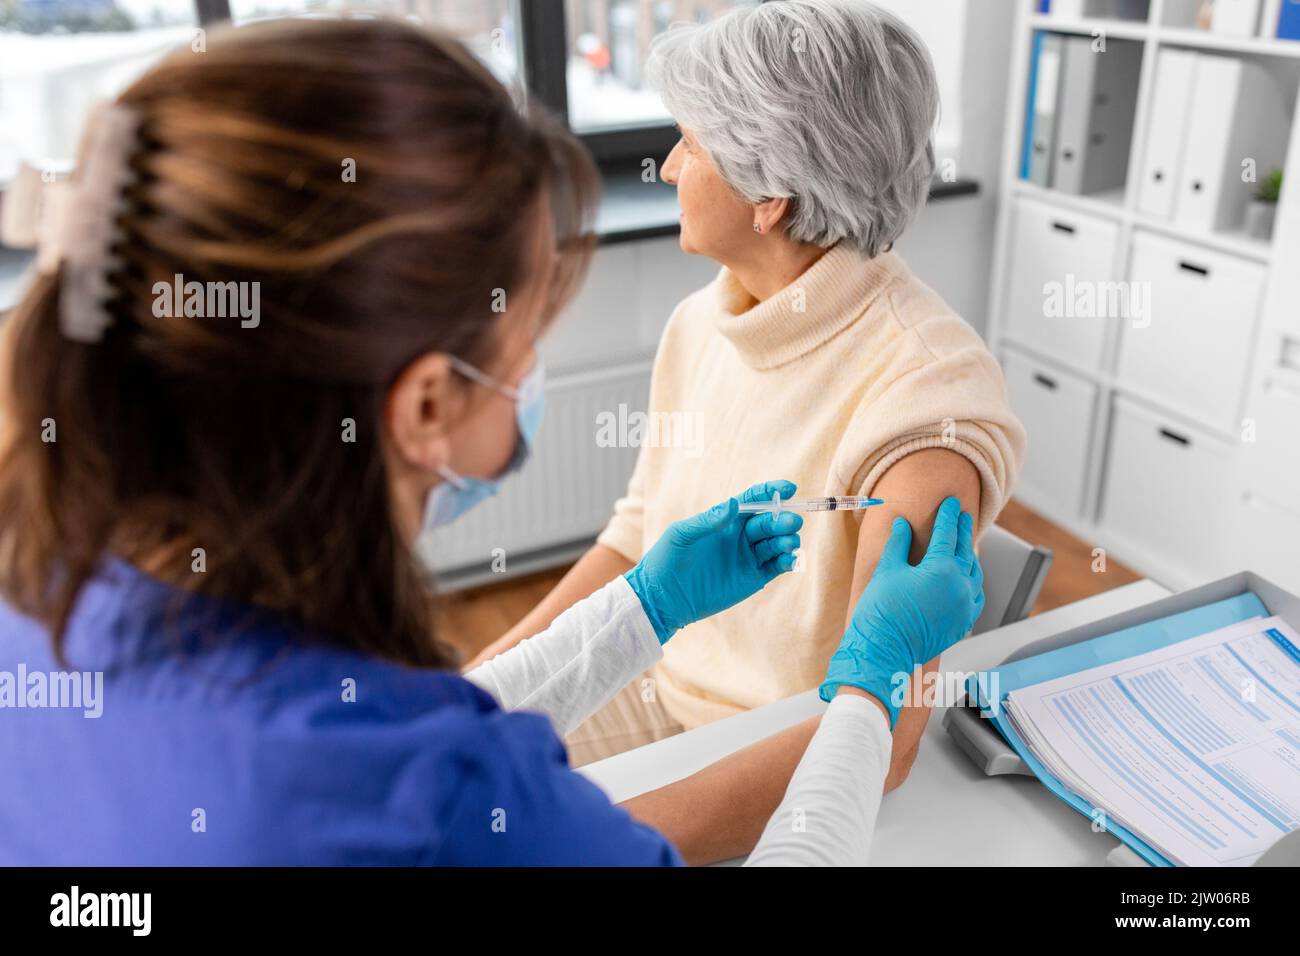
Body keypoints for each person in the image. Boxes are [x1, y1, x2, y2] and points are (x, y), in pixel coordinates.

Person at [0, 17, 983, 866]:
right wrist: (872, 680)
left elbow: (416, 731)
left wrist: (646, 603)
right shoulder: (443, 799)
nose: (674, 165)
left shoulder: (41, 586)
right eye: (522, 330)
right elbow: (436, 770)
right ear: (427, 403)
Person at [467, 0, 1026, 860]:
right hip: (644, 682)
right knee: (434, 770)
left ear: (771, 195)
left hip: (770, 751)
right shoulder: (707, 319)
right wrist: (472, 694)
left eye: (688, 142)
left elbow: (891, 740)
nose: (664, 166)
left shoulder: (924, 391)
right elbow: (631, 541)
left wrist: (590, 844)